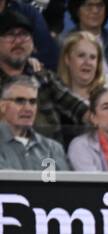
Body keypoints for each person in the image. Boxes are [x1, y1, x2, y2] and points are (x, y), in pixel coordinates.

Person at [0, 9, 86, 139]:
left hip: (49, 156)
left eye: (24, 34)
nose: (18, 41)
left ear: (32, 43)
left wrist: (97, 117)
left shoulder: (43, 77)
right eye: (10, 35)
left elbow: (75, 106)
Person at [54, 31, 108, 145]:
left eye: (93, 58)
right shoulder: (57, 94)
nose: (87, 63)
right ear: (67, 59)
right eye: (81, 56)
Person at [0, 73, 69, 166]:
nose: (28, 108)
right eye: (20, 101)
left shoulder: (53, 149)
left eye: (33, 102)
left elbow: (64, 181)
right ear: (2, 106)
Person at [64, 0, 108, 79]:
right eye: (89, 5)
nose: (95, 10)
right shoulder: (66, 43)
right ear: (77, 10)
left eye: (100, 5)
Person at [0, 0, 59, 68]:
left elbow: (49, 56)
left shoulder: (27, 12)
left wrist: (25, 59)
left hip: (26, 75)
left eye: (23, 34)